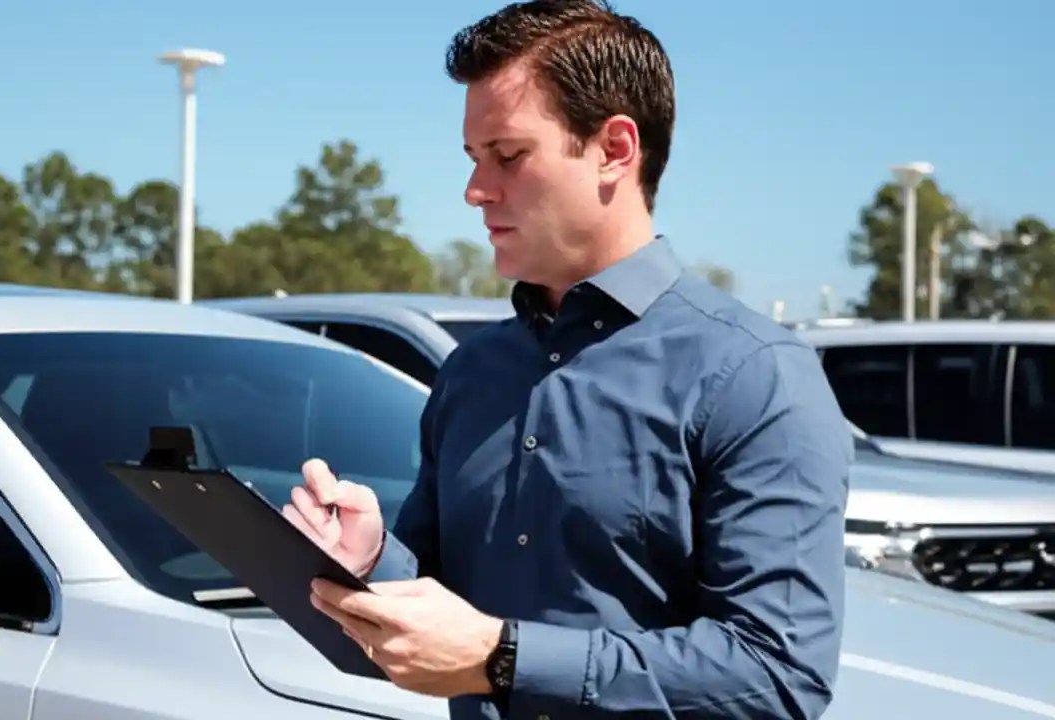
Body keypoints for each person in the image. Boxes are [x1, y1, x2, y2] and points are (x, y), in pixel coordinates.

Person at [282, 1, 853, 718]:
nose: (475, 191)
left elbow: (776, 674)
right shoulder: (471, 374)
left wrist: (503, 657)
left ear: (615, 149)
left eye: (509, 156)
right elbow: (443, 611)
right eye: (474, 159)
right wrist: (371, 563)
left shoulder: (754, 374)